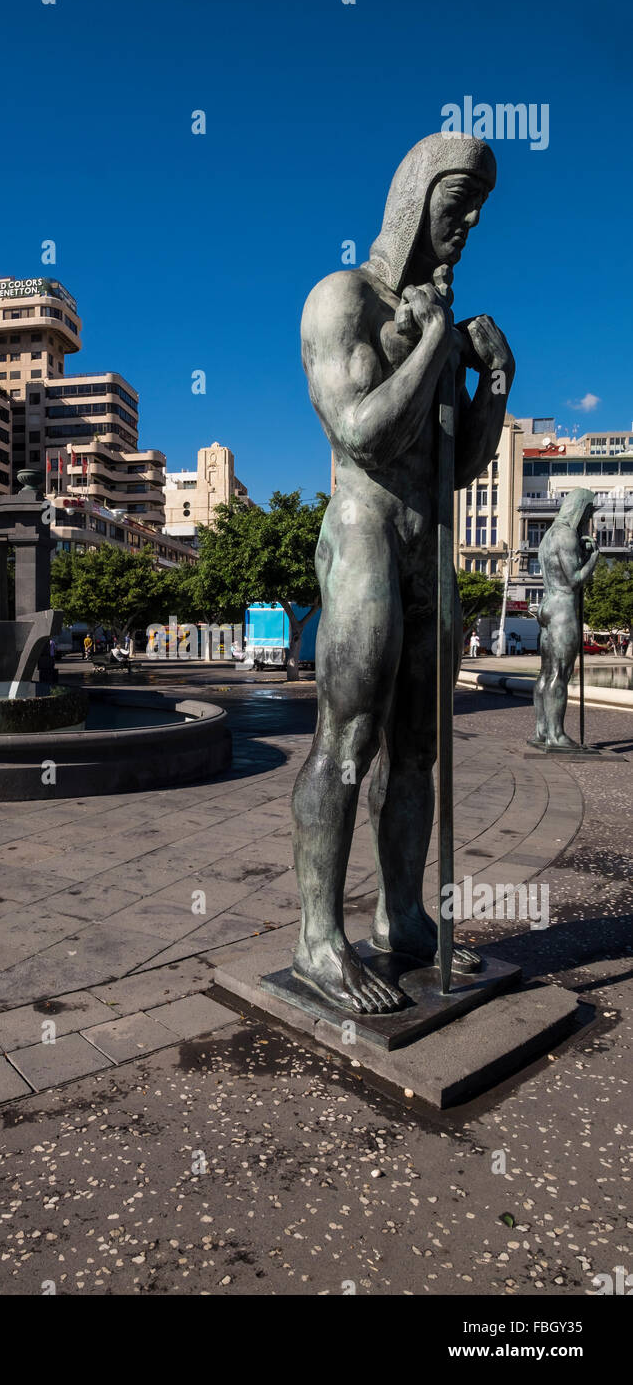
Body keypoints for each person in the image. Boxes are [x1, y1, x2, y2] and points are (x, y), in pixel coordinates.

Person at [291, 133, 514, 1014]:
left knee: (418, 750)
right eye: (455, 204)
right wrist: (428, 348)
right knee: (347, 740)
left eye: (478, 212)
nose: (465, 224)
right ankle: (317, 936)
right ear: (415, 199)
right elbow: (363, 433)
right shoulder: (341, 299)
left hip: (431, 546)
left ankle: (405, 917)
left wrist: (491, 382)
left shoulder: (441, 318)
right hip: (365, 534)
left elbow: (450, 469)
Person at [531, 490, 599, 749]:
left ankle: (541, 731)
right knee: (561, 673)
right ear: (580, 509)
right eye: (589, 513)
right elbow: (574, 580)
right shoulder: (567, 535)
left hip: (547, 606)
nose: (588, 519)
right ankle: (556, 735)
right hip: (563, 610)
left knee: (546, 673)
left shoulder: (549, 536)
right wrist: (592, 558)